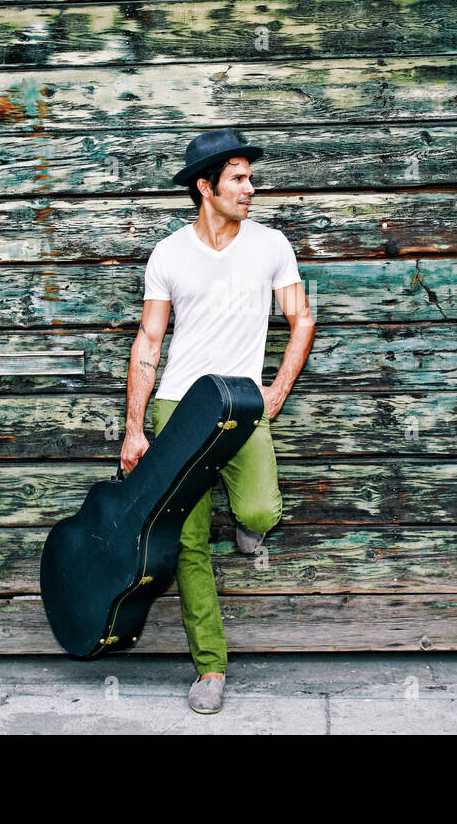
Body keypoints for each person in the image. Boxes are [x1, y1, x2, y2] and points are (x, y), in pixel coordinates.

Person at [119, 129, 315, 714]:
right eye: (238, 178)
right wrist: (134, 428)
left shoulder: (272, 245)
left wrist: (276, 390)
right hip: (178, 407)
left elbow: (301, 319)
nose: (249, 188)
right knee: (188, 543)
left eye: (250, 177)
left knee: (259, 509)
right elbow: (149, 340)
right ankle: (210, 668)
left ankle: (249, 525)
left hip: (241, 404)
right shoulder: (169, 254)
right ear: (206, 187)